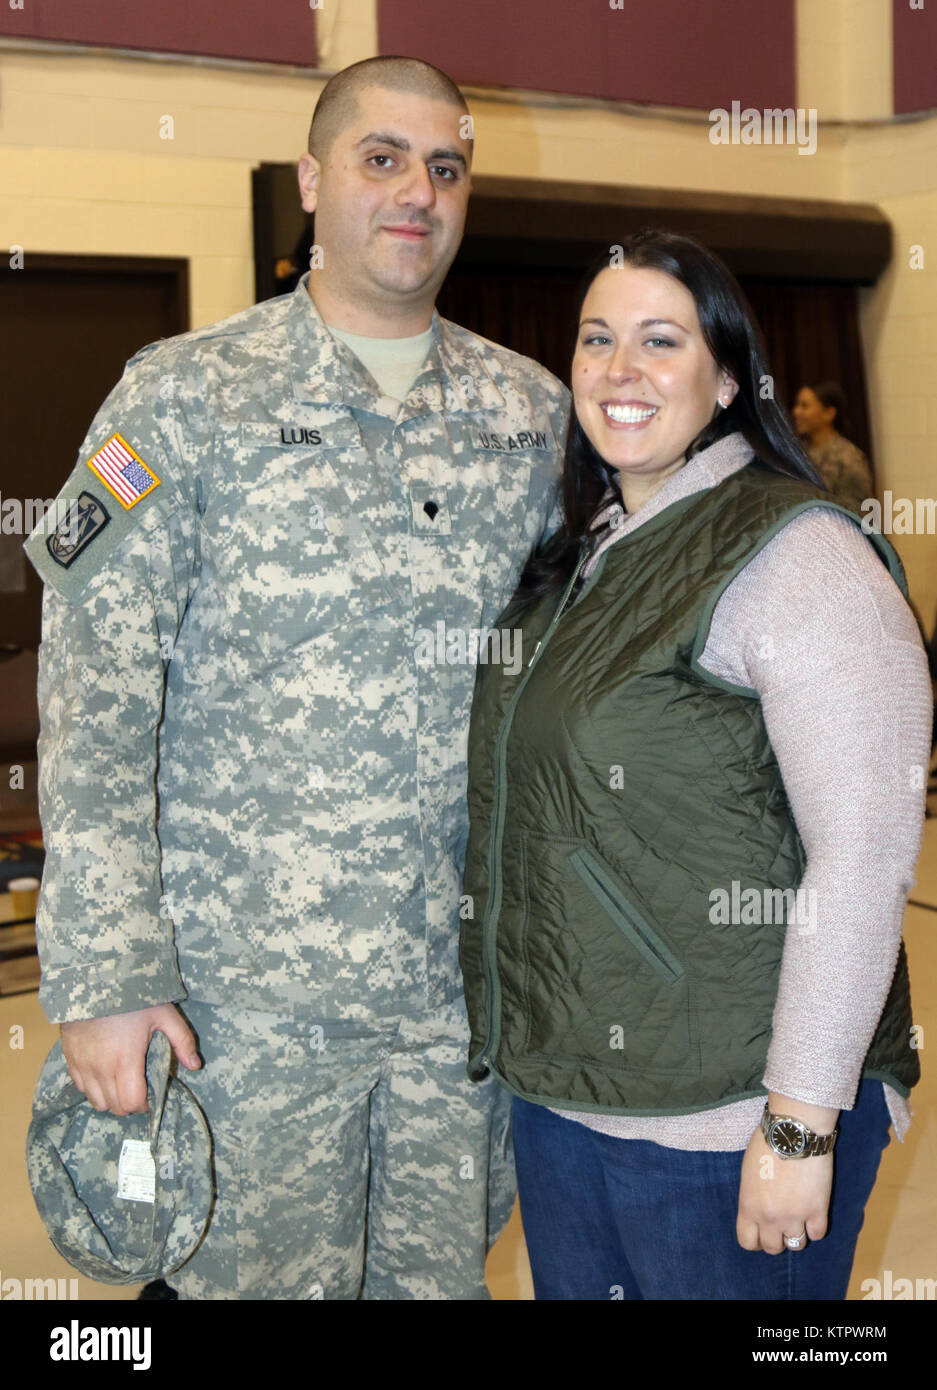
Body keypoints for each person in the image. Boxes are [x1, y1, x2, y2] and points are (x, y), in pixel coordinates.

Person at [23, 56, 570, 1300]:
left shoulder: (531, 419)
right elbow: (95, 687)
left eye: (445, 166)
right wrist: (107, 973)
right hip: (243, 1014)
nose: (417, 192)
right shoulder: (182, 398)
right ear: (314, 180)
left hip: (454, 1014)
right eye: (382, 158)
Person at [460, 230, 930, 1300]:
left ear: (726, 378)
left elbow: (859, 857)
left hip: (728, 1116)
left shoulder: (796, 552)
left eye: (659, 341)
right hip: (571, 1101)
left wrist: (802, 1123)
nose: (618, 370)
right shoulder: (578, 557)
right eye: (596, 339)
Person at [792, 380, 874, 514]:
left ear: (828, 413)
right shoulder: (798, 452)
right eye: (796, 405)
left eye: (805, 406)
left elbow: (859, 512)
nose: (796, 412)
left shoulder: (848, 458)